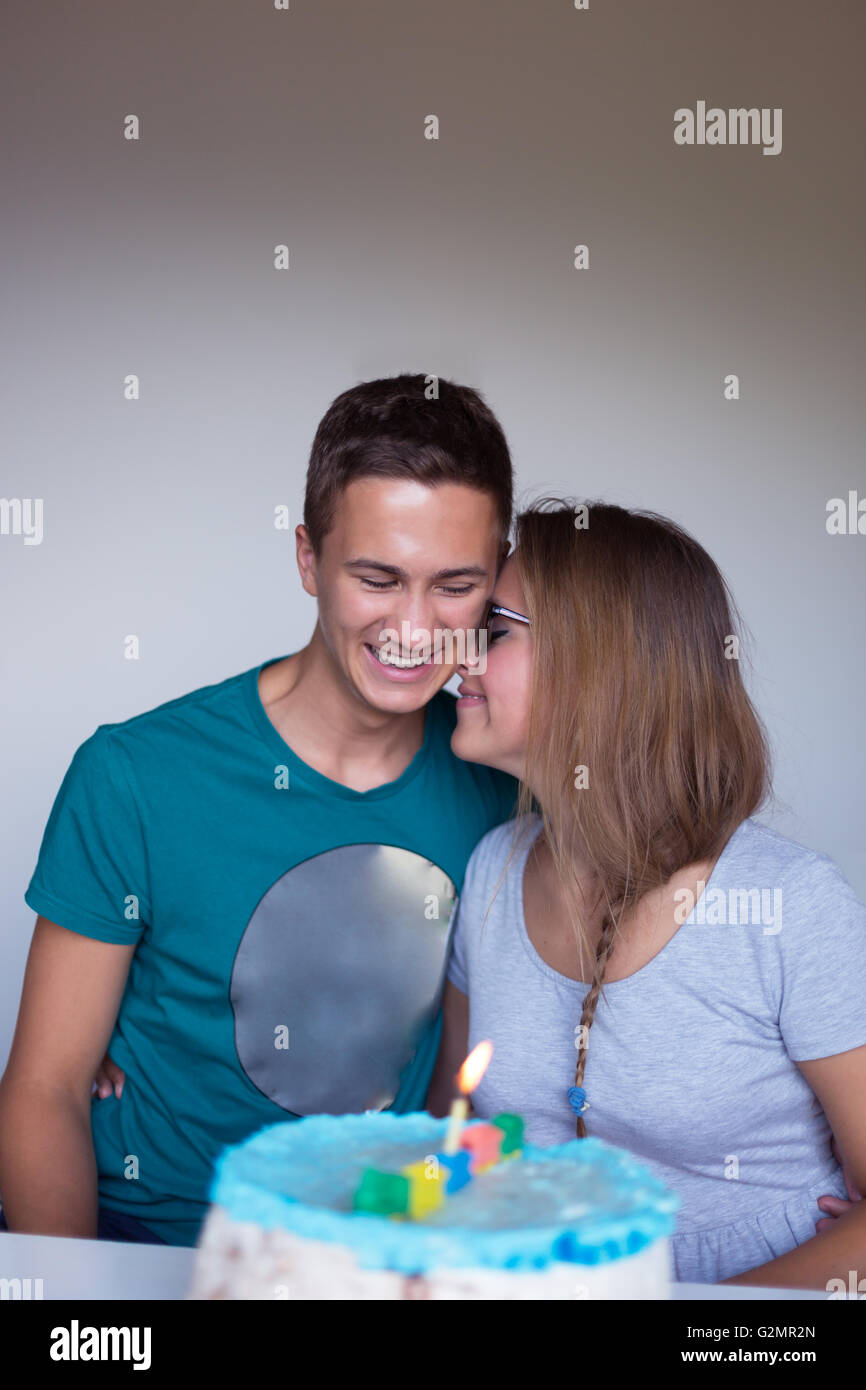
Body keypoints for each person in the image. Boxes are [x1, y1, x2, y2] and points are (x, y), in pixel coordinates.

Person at [0, 374, 518, 1246]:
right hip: (153, 1248)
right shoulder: (134, 774)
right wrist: (78, 1308)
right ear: (308, 558)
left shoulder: (506, 791)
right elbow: (47, 1087)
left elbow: (474, 1104)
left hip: (374, 1259)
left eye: (456, 586)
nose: (417, 628)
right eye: (378, 578)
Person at [428, 498, 866, 1288]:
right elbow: (454, 1137)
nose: (459, 653)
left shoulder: (793, 907)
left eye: (493, 630)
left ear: (599, 664)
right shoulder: (491, 869)